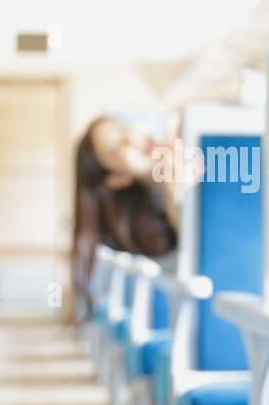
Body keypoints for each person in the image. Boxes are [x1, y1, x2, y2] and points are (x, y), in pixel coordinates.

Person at [70, 115, 194, 321]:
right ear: (118, 179)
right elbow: (198, 276)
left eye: (124, 127)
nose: (130, 138)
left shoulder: (195, 147)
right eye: (116, 149)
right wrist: (175, 197)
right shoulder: (142, 235)